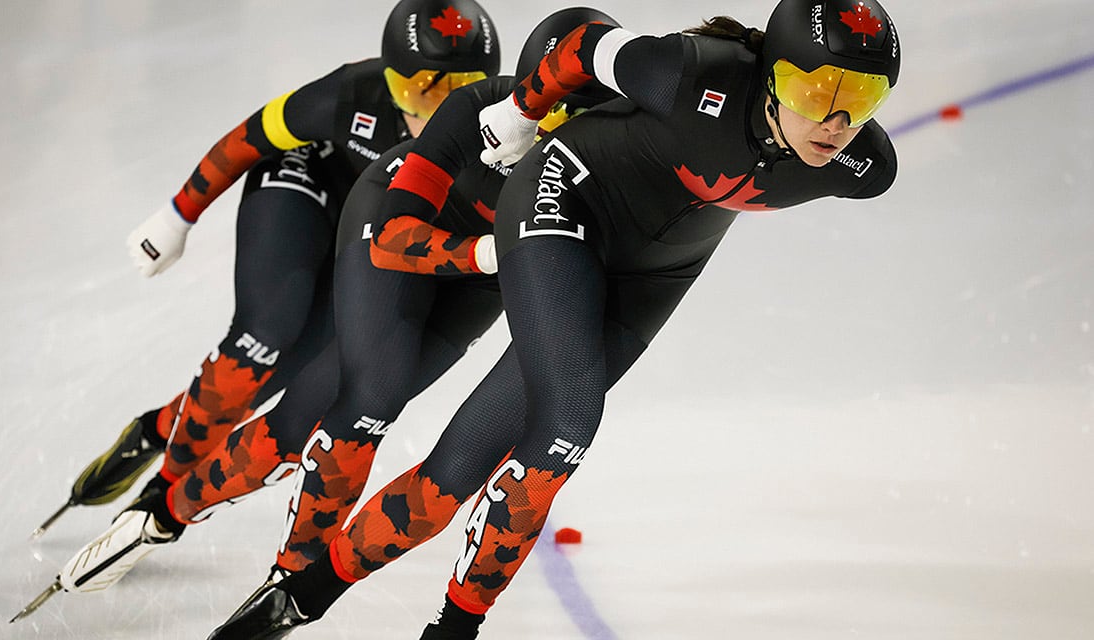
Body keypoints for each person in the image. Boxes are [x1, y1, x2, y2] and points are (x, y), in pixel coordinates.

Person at [208, 0, 901, 638]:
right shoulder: (691, 75)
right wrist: (520, 110)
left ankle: (303, 593)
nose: (838, 121)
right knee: (569, 423)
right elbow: (579, 39)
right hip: (561, 206)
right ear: (774, 78)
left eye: (863, 98)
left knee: (459, 471)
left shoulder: (863, 164)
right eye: (819, 92)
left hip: (653, 276)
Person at [11, 0, 499, 623]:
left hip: (374, 238)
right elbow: (252, 136)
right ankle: (162, 490)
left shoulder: (494, 135)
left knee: (296, 371)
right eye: (414, 86)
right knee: (264, 336)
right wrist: (179, 213)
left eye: (453, 89)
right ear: (388, 78)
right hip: (310, 192)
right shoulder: (352, 93)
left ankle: (160, 429)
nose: (429, 106)